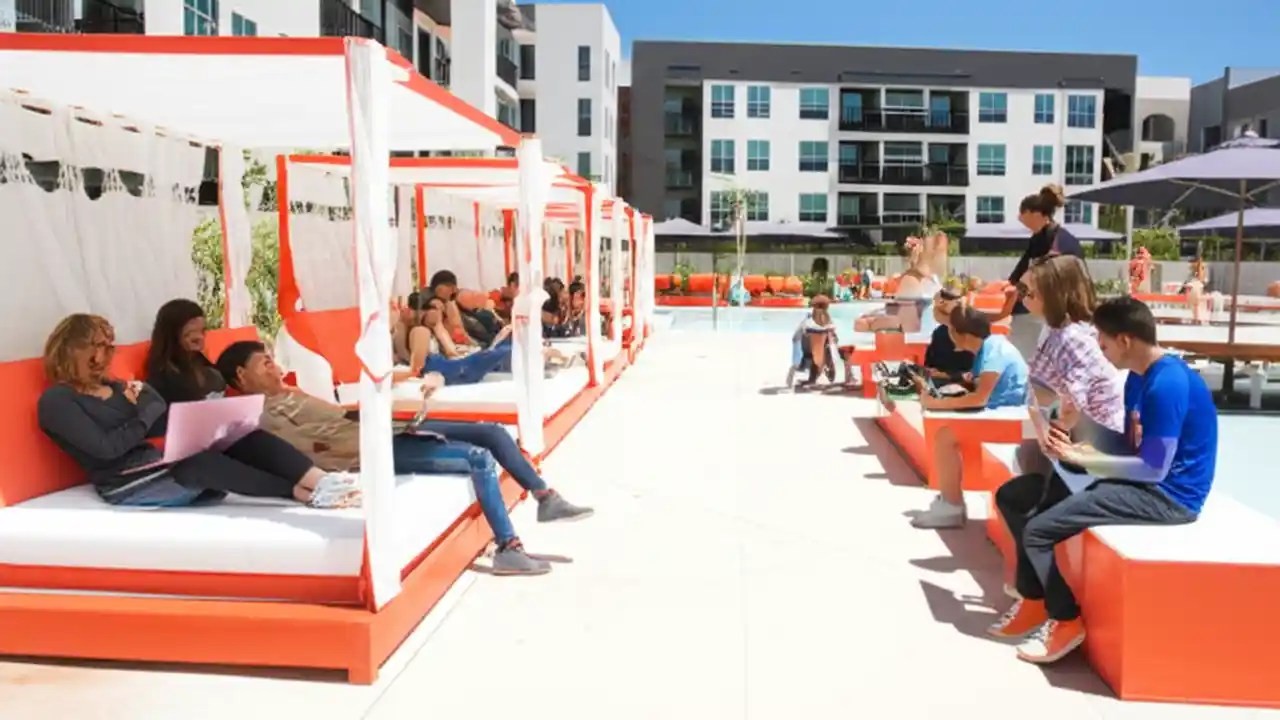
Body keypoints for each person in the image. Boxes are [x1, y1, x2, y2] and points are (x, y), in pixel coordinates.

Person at [216, 341, 593, 576]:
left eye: (273, 360)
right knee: (478, 457)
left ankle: (545, 497)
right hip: (369, 447)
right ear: (241, 375)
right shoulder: (260, 415)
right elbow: (312, 448)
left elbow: (337, 414)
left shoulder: (290, 394)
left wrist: (388, 405)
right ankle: (508, 548)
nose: (276, 367)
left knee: (492, 431)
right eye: (265, 364)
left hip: (385, 429)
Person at [987, 296, 1216, 664]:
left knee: (1038, 531)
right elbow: (1127, 447)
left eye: (1103, 342)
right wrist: (1072, 429)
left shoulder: (1167, 384)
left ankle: (1066, 621)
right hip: (1138, 482)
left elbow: (1154, 469)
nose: (1100, 350)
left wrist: (1088, 460)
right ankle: (1034, 600)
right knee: (1016, 497)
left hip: (1168, 497)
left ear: (1125, 340)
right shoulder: (1138, 379)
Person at [37, 314, 356, 509]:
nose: (106, 355)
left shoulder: (117, 386)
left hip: (158, 461)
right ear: (72, 349)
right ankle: (299, 493)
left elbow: (159, 410)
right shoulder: (57, 401)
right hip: (125, 482)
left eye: (109, 346)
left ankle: (321, 480)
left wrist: (195, 423)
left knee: (242, 436)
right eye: (97, 346)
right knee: (198, 462)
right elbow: (107, 449)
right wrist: (144, 412)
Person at [910, 305, 1028, 529]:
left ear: (960, 333)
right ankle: (949, 497)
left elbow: (979, 399)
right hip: (1004, 412)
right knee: (944, 430)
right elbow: (977, 387)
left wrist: (936, 404)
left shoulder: (994, 352)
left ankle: (952, 508)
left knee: (945, 437)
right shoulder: (989, 348)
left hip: (1011, 418)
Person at [998, 184, 1083, 362]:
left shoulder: (1058, 241)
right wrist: (1011, 284)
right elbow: (1023, 267)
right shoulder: (1039, 237)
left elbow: (1050, 275)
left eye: (1022, 213)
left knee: (1033, 356)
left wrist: (1020, 289)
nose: (1019, 217)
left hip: (1052, 310)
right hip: (1038, 308)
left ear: (1035, 214)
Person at [407, 295, 512, 384]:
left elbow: (450, 351)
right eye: (435, 309)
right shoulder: (420, 331)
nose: (439, 313)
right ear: (424, 312)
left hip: (454, 368)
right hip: (452, 370)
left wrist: (438, 326)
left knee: (502, 348)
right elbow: (417, 366)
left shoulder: (435, 332)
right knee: (503, 350)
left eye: (441, 311)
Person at [854, 233, 946, 333]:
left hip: (912, 326)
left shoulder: (915, 280)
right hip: (915, 320)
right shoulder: (931, 280)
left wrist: (871, 323)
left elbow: (907, 322)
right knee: (863, 321)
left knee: (861, 323)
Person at [921, 289, 974, 385]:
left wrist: (946, 375)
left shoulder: (972, 334)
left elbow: (973, 374)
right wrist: (930, 370)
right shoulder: (939, 332)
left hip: (962, 385)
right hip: (938, 382)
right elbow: (929, 363)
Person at [1184, 256, 1208, 324]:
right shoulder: (1192, 272)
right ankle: (1195, 319)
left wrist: (1200, 264)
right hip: (1193, 290)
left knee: (1197, 306)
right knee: (1194, 307)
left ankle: (1197, 319)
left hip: (1197, 289)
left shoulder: (1200, 269)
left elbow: (1201, 279)